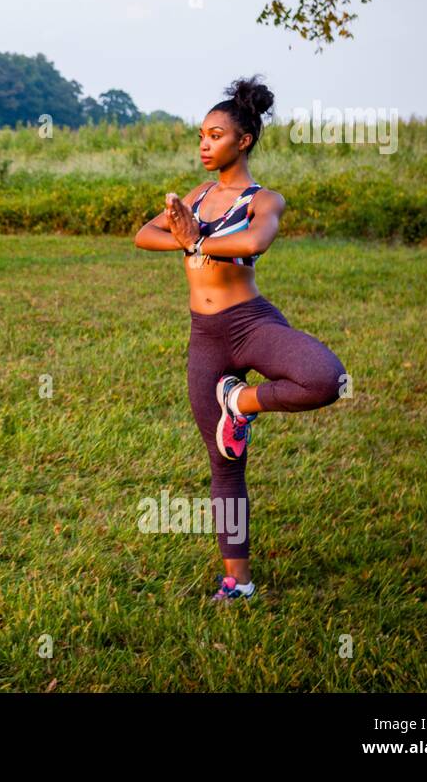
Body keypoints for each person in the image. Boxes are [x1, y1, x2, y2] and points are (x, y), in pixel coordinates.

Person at [133, 76, 347, 601]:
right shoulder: (199, 195)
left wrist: (199, 238)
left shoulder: (262, 199)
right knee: (224, 464)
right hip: (205, 338)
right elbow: (144, 233)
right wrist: (184, 240)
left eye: (215, 136)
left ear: (243, 140)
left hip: (251, 323)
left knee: (326, 378)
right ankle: (239, 583)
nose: (204, 145)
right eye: (201, 136)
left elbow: (256, 240)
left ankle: (240, 400)